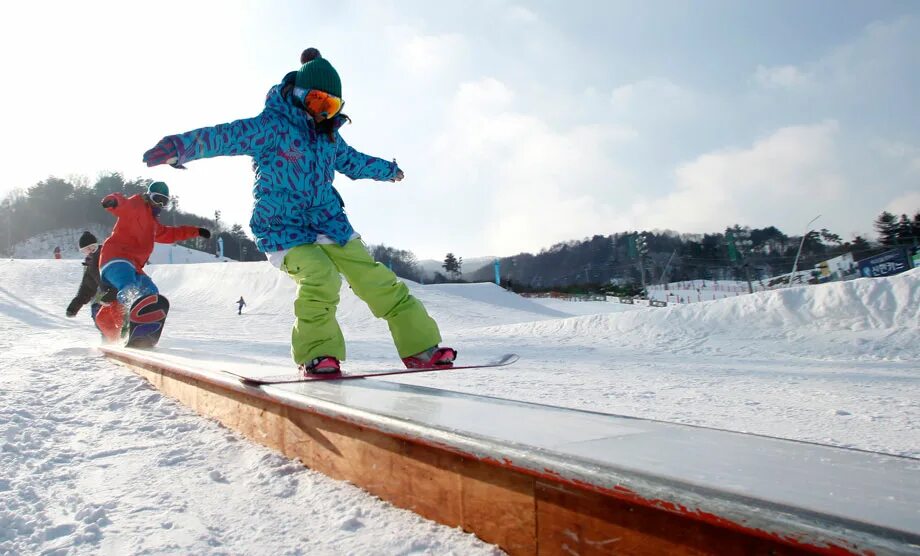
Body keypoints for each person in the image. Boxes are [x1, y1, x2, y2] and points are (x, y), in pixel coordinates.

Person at [142, 48, 456, 375]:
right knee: (320, 276)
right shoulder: (272, 127)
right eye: (317, 101)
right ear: (299, 95)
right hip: (282, 228)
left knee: (376, 279)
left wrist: (388, 170)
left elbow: (356, 162)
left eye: (331, 106)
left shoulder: (330, 139)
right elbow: (225, 136)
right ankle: (317, 354)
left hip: (330, 223)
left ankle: (421, 348)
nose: (322, 112)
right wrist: (180, 147)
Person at [99, 182, 208, 310]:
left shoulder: (153, 224)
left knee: (151, 293)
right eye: (157, 199)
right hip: (116, 258)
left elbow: (171, 234)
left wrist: (197, 231)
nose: (159, 204)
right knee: (129, 288)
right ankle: (128, 310)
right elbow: (122, 204)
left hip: (134, 266)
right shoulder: (136, 204)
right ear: (149, 196)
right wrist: (112, 201)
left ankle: (138, 322)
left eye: (164, 202)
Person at [65, 231, 121, 341]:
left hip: (117, 294)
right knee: (97, 316)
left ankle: (125, 334)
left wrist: (114, 292)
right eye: (86, 250)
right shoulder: (90, 264)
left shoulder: (107, 255)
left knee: (117, 314)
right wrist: (74, 306)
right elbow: (87, 288)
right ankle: (110, 339)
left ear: (97, 245)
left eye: (92, 247)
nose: (90, 251)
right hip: (103, 297)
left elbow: (119, 274)